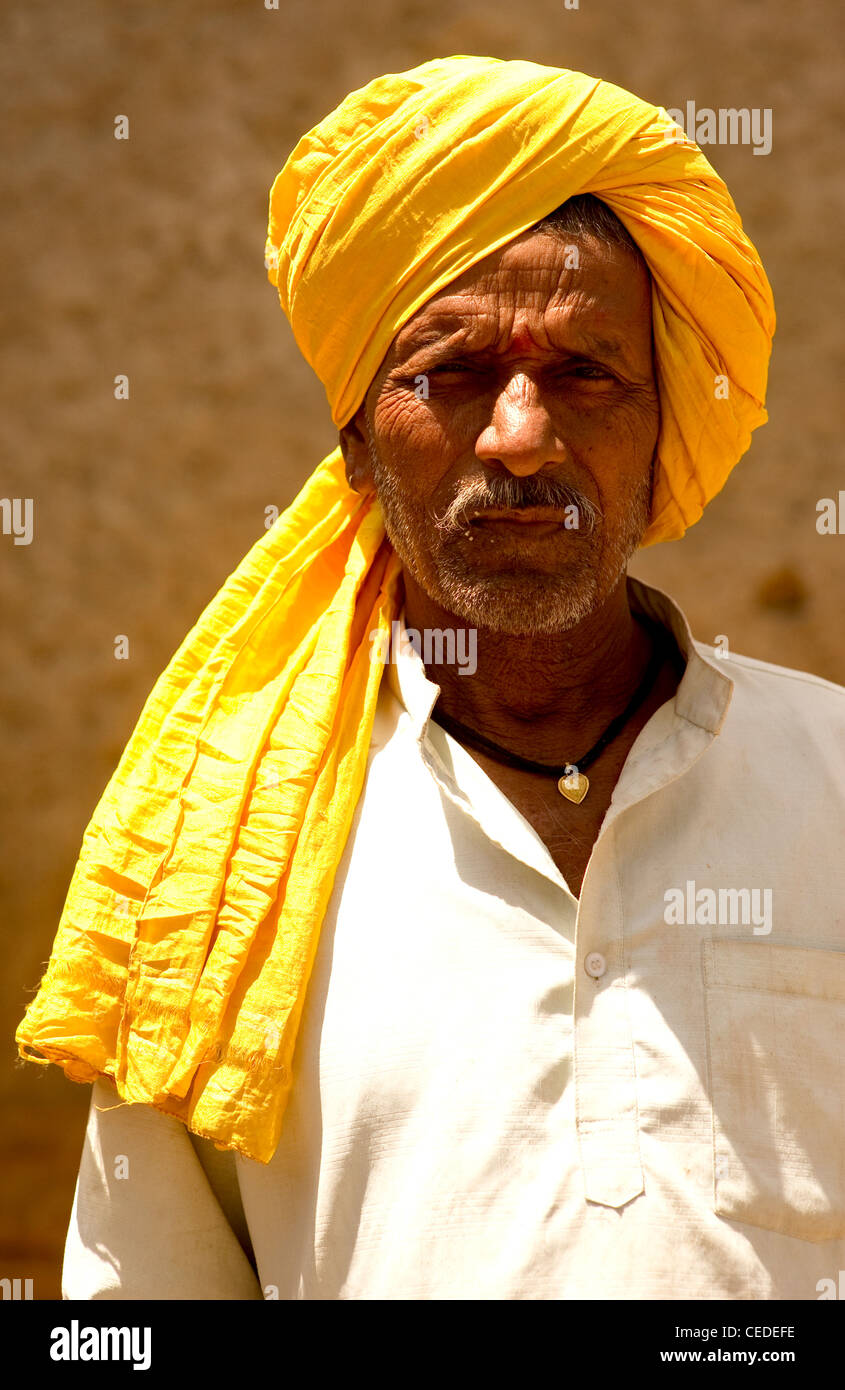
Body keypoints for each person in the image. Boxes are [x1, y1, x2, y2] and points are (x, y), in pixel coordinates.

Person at [17, 56, 845, 1300]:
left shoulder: (829, 778)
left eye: (583, 373)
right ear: (355, 433)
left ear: (658, 422)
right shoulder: (221, 861)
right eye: (449, 372)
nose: (519, 434)